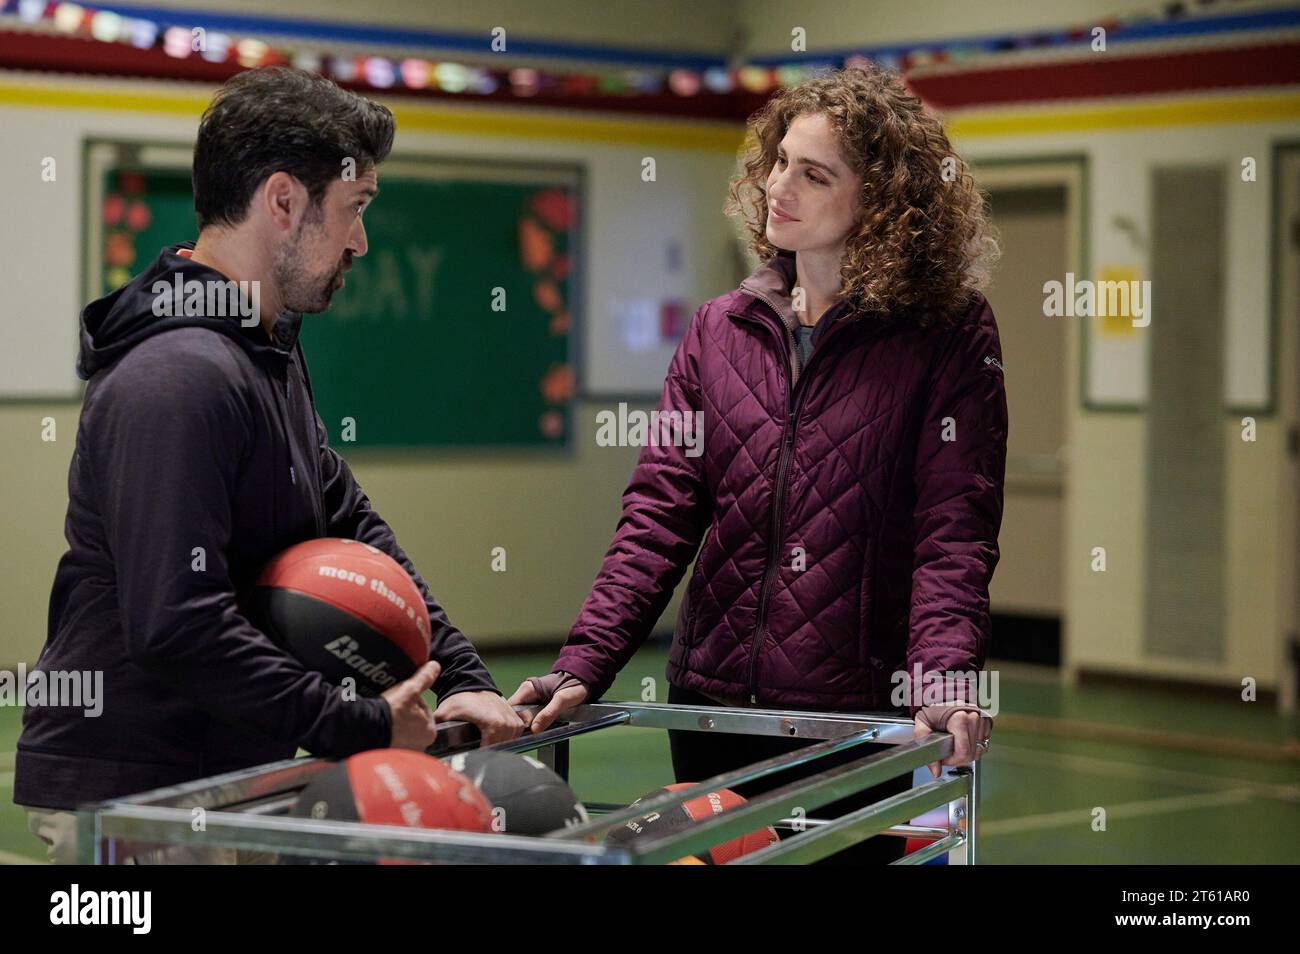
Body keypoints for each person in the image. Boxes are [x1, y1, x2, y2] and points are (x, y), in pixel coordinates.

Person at [17, 66, 524, 864]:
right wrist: (356, 723)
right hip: (135, 798)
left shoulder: (263, 349)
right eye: (355, 209)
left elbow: (349, 519)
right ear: (283, 201)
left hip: (224, 779)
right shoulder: (176, 375)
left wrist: (459, 672)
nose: (361, 240)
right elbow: (176, 622)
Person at [512, 66, 1005, 864]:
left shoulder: (947, 333)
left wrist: (943, 685)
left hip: (857, 718)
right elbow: (659, 516)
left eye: (814, 174)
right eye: (780, 161)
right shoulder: (720, 329)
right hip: (712, 709)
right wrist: (584, 663)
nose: (780, 186)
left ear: (881, 204)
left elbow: (955, 532)